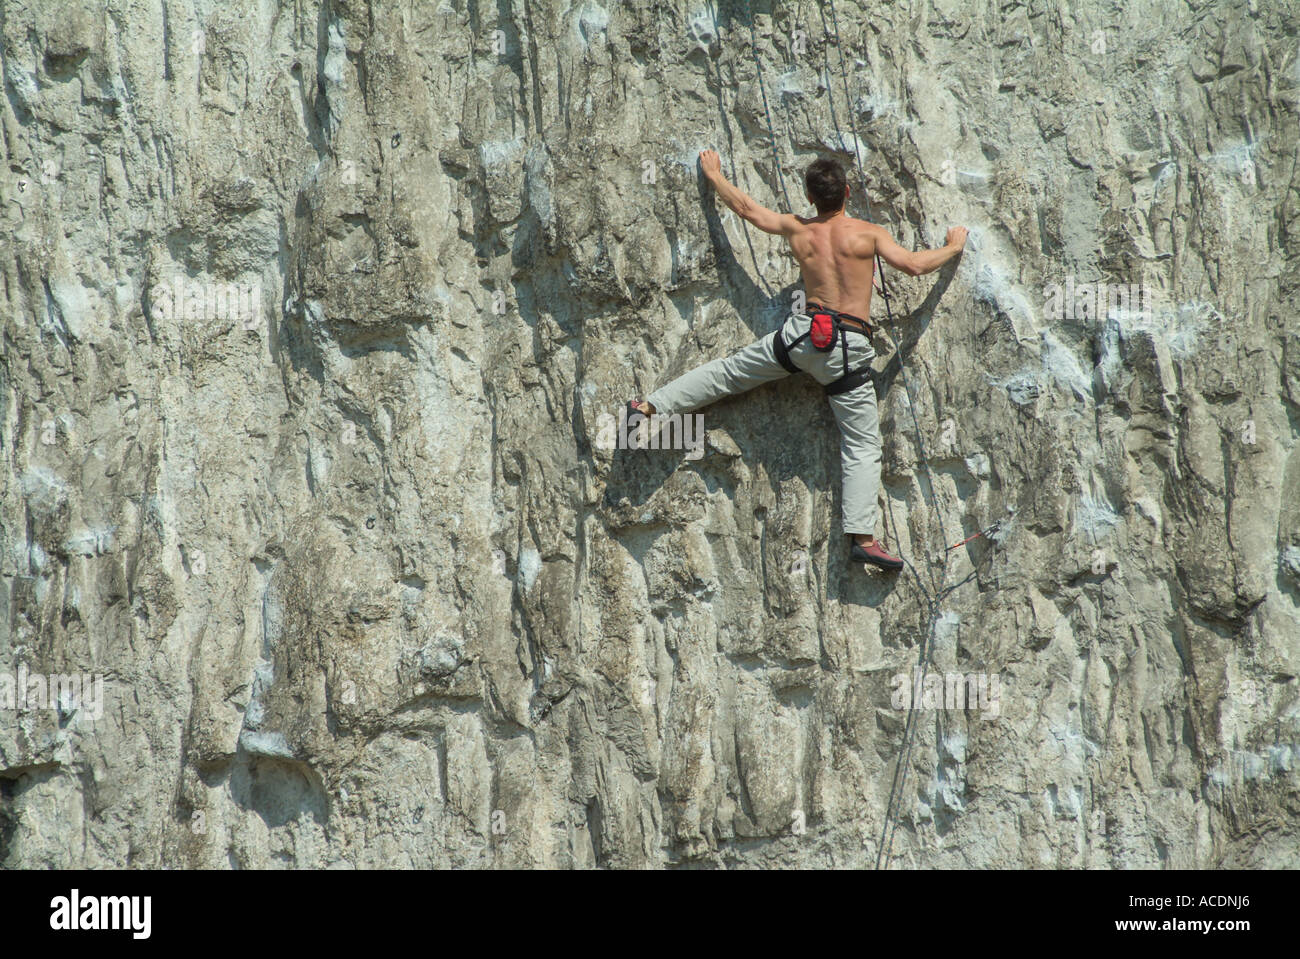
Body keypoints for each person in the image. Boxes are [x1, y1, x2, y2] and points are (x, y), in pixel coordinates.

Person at [628, 150, 967, 570]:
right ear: (847, 192)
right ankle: (862, 538)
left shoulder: (798, 229)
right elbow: (915, 267)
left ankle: (649, 406)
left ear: (810, 198)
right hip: (844, 351)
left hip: (803, 336)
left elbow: (749, 210)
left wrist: (715, 176)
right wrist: (953, 247)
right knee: (862, 444)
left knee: (728, 373)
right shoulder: (868, 234)